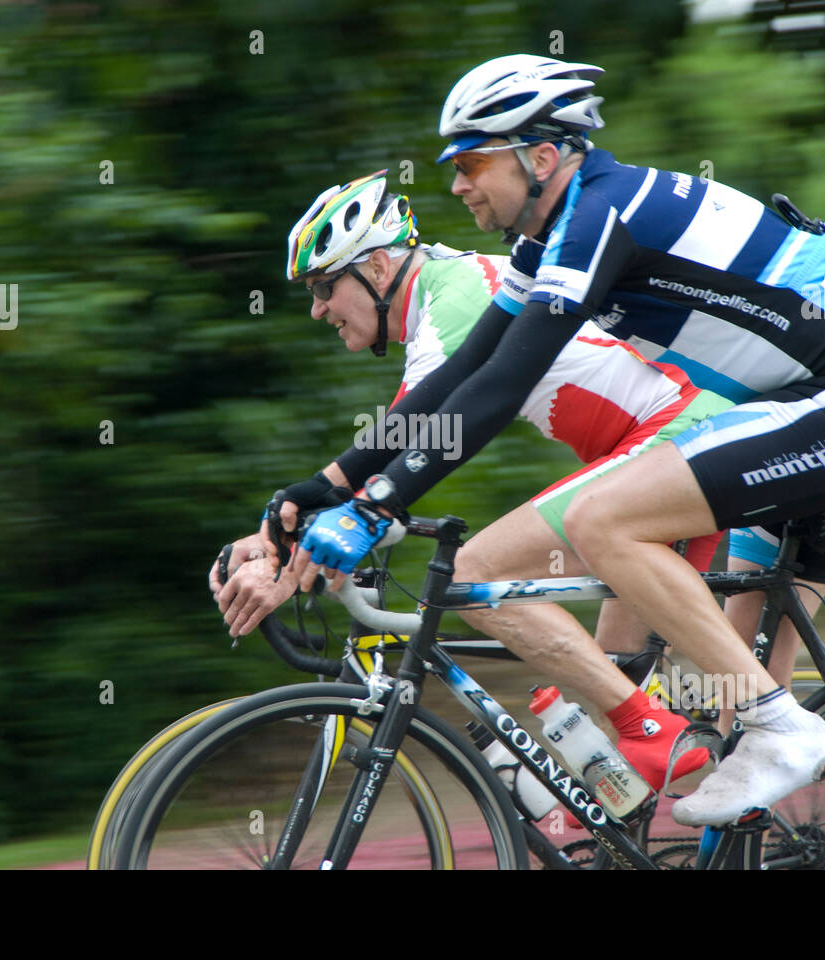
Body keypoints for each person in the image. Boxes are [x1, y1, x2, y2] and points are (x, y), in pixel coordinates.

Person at [282, 55, 825, 827]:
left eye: (470, 162)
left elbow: (494, 393)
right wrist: (329, 487)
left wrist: (374, 505)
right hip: (800, 406)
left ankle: (783, 727)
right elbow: (466, 370)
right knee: (721, 711)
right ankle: (744, 754)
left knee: (602, 521)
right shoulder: (555, 236)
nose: (457, 185)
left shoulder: (600, 217)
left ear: (542, 157)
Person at [213, 168, 743, 791]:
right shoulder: (444, 292)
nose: (317, 309)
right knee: (619, 688)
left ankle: (664, 744)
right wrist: (284, 520)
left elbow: (423, 436)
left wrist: (303, 551)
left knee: (475, 574)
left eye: (326, 286)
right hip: (653, 453)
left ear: (379, 270)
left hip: (677, 437)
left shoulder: (454, 295)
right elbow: (392, 441)